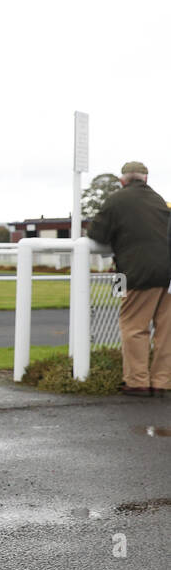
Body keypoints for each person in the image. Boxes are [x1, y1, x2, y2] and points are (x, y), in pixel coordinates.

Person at [88, 161, 171, 396]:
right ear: (145, 178)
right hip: (169, 273)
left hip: (138, 272)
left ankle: (137, 381)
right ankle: (162, 382)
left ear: (122, 180)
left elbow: (97, 233)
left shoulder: (117, 200)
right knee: (166, 331)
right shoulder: (158, 200)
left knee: (134, 327)